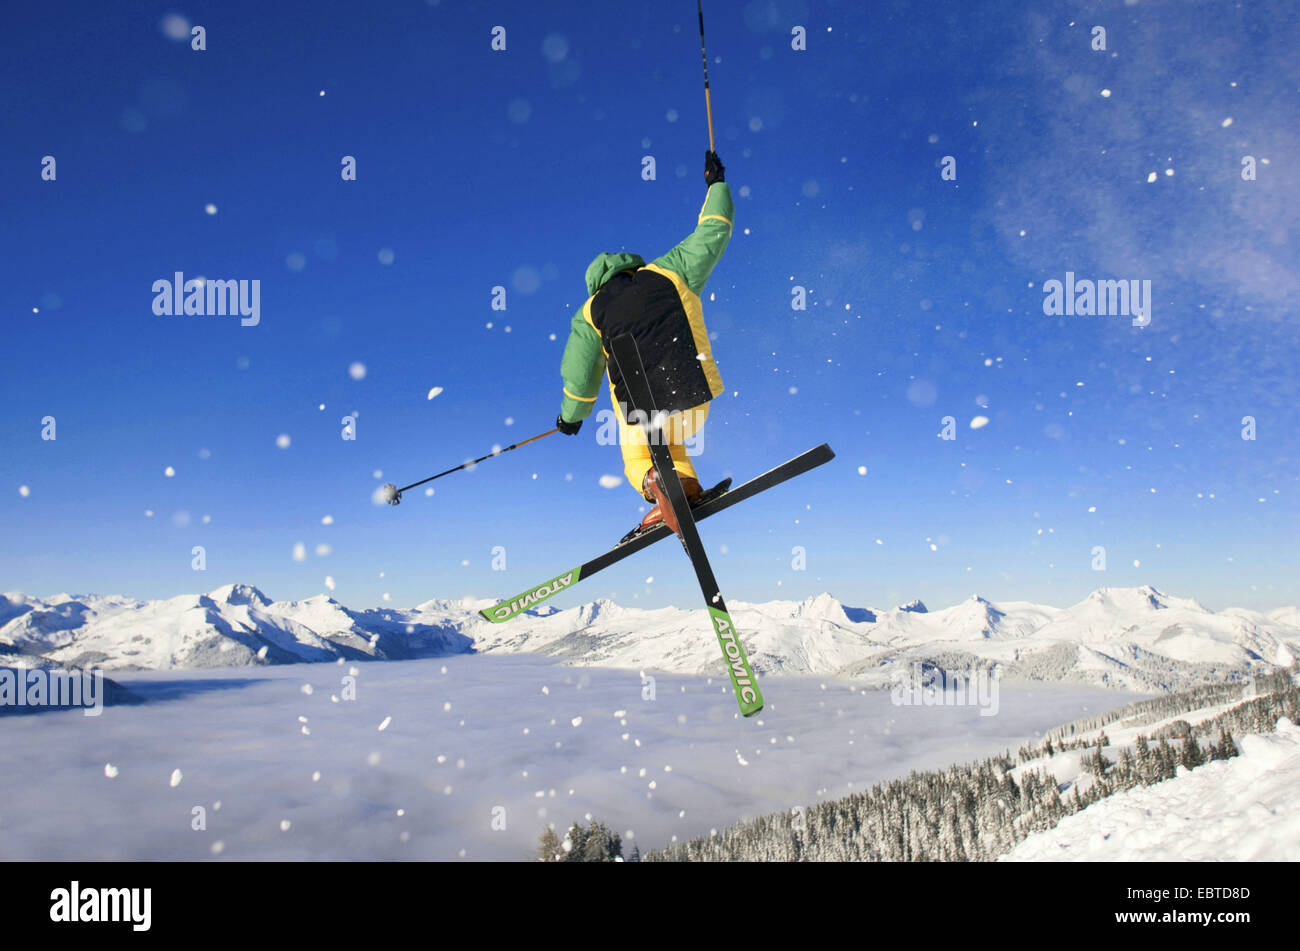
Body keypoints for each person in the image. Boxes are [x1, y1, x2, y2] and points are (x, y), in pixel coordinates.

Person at [555, 150, 732, 536]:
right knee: (669, 441)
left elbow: (582, 378)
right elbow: (714, 232)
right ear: (631, 266)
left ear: (595, 285)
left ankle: (656, 482)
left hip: (643, 416)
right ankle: (681, 486)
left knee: (637, 450)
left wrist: (571, 418)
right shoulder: (670, 270)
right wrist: (716, 185)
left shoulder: (589, 312)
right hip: (693, 399)